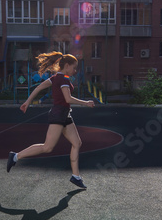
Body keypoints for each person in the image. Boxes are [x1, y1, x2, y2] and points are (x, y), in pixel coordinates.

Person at [6, 51, 95, 189]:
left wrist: (27, 102)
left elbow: (39, 87)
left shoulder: (56, 78)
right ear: (66, 65)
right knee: (47, 147)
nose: (75, 70)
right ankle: (15, 156)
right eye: (74, 67)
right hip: (59, 115)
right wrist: (86, 103)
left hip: (65, 115)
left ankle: (76, 176)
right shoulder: (63, 80)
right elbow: (68, 99)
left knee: (77, 143)